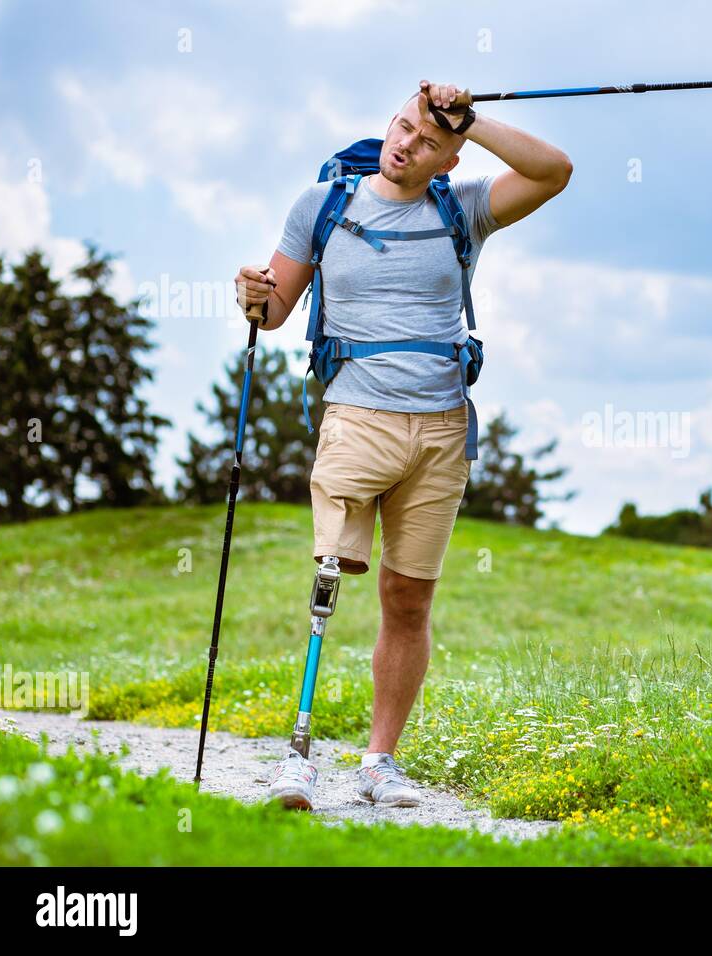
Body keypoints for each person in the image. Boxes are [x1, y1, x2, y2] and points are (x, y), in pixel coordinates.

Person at [233, 80, 572, 809]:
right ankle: (298, 757)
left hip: (444, 428)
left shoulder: (465, 208)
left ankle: (378, 764)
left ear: (449, 158)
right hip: (356, 416)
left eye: (426, 142)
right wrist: (253, 296)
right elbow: (277, 309)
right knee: (330, 581)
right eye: (401, 127)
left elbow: (554, 171)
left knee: (409, 600)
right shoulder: (323, 206)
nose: (404, 145)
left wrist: (471, 123)